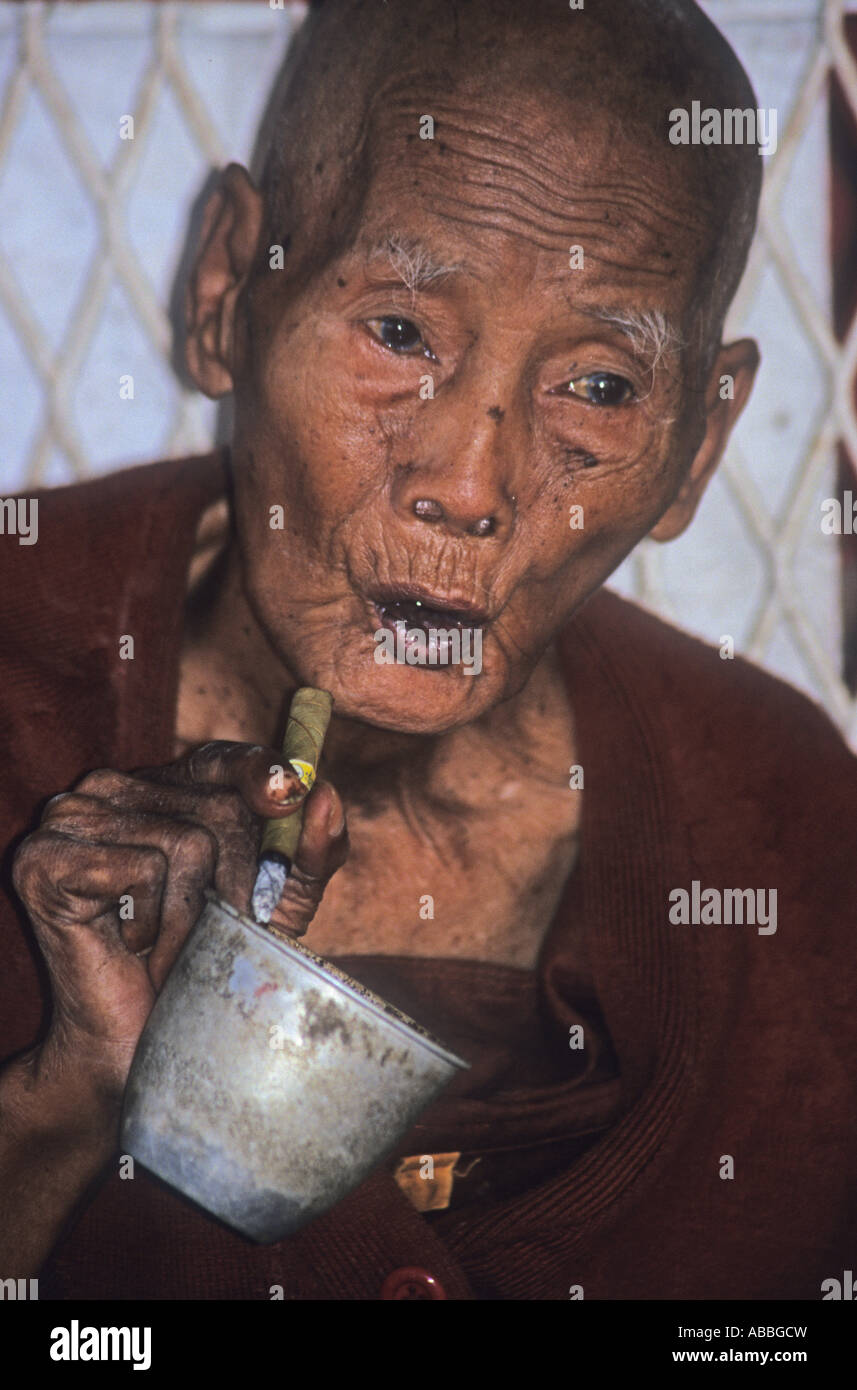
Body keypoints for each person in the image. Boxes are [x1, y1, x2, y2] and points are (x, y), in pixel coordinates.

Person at [0, 0, 854, 1300]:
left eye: (599, 387)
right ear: (227, 285)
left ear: (699, 438)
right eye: (397, 334)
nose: (469, 484)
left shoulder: (782, 822)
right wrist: (64, 1102)